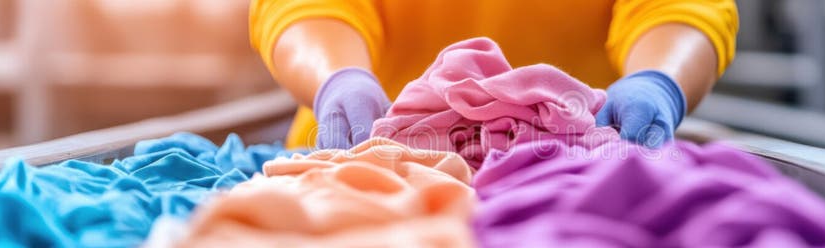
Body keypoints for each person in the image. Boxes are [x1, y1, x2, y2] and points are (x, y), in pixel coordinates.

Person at [249, 0, 738, 149]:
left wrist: (657, 82)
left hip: (584, 165)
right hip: (353, 159)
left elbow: (681, 7)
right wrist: (339, 80)